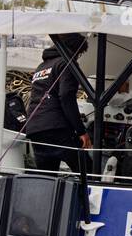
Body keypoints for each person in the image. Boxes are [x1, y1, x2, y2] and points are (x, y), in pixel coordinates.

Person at [25, 33, 91, 173]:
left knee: (47, 177)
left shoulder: (41, 66)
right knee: (87, 169)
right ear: (75, 49)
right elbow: (66, 96)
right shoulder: (66, 63)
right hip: (56, 128)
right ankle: (87, 194)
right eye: (79, 53)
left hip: (35, 128)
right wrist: (81, 131)